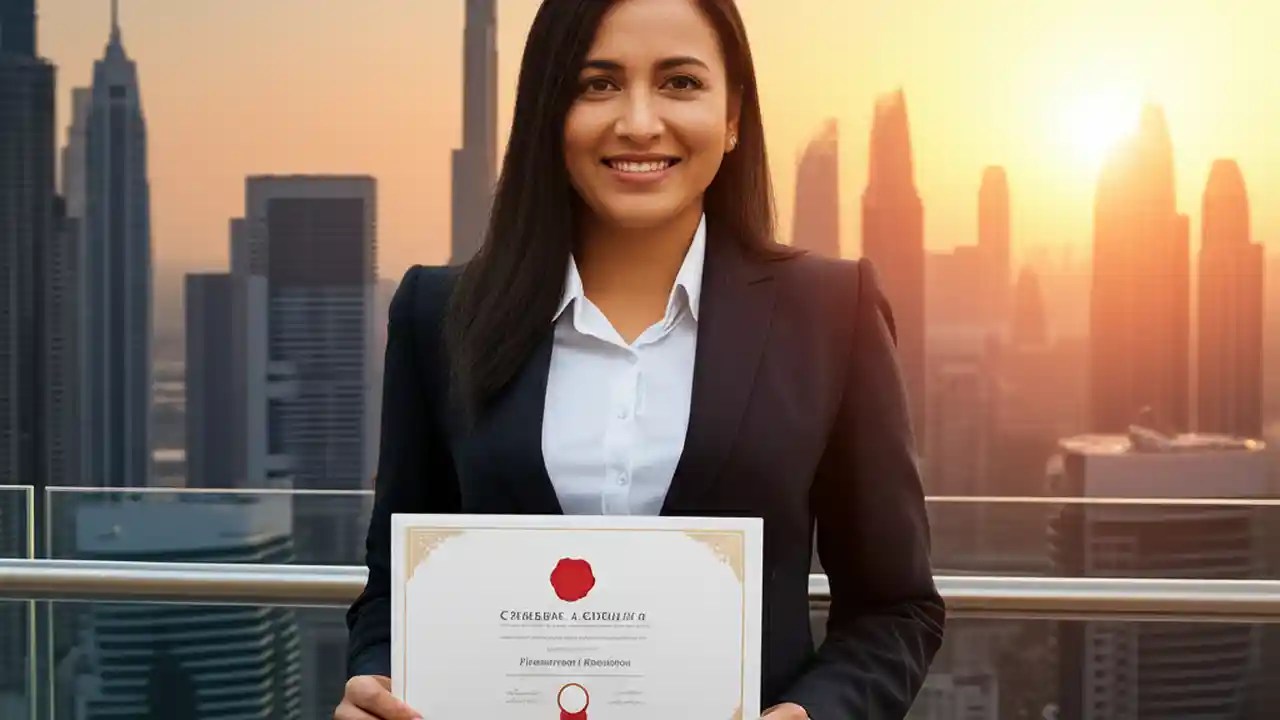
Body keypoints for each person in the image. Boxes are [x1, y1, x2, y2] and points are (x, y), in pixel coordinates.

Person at [337, 0, 945, 718]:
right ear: (548, 112)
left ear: (733, 117)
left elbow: (895, 607)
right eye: (597, 84)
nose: (638, 121)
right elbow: (394, 590)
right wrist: (375, 688)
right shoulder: (437, 315)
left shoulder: (830, 312)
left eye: (680, 83)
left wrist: (813, 715)